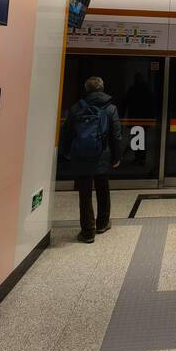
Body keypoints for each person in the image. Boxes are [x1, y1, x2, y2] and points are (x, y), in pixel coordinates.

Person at [65, 76, 122, 243]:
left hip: (81, 157)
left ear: (86, 89)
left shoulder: (77, 108)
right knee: (103, 189)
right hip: (102, 156)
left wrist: (67, 153)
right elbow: (116, 136)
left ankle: (88, 232)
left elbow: (68, 132)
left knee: (85, 193)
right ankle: (102, 223)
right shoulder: (111, 109)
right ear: (102, 88)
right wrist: (117, 157)